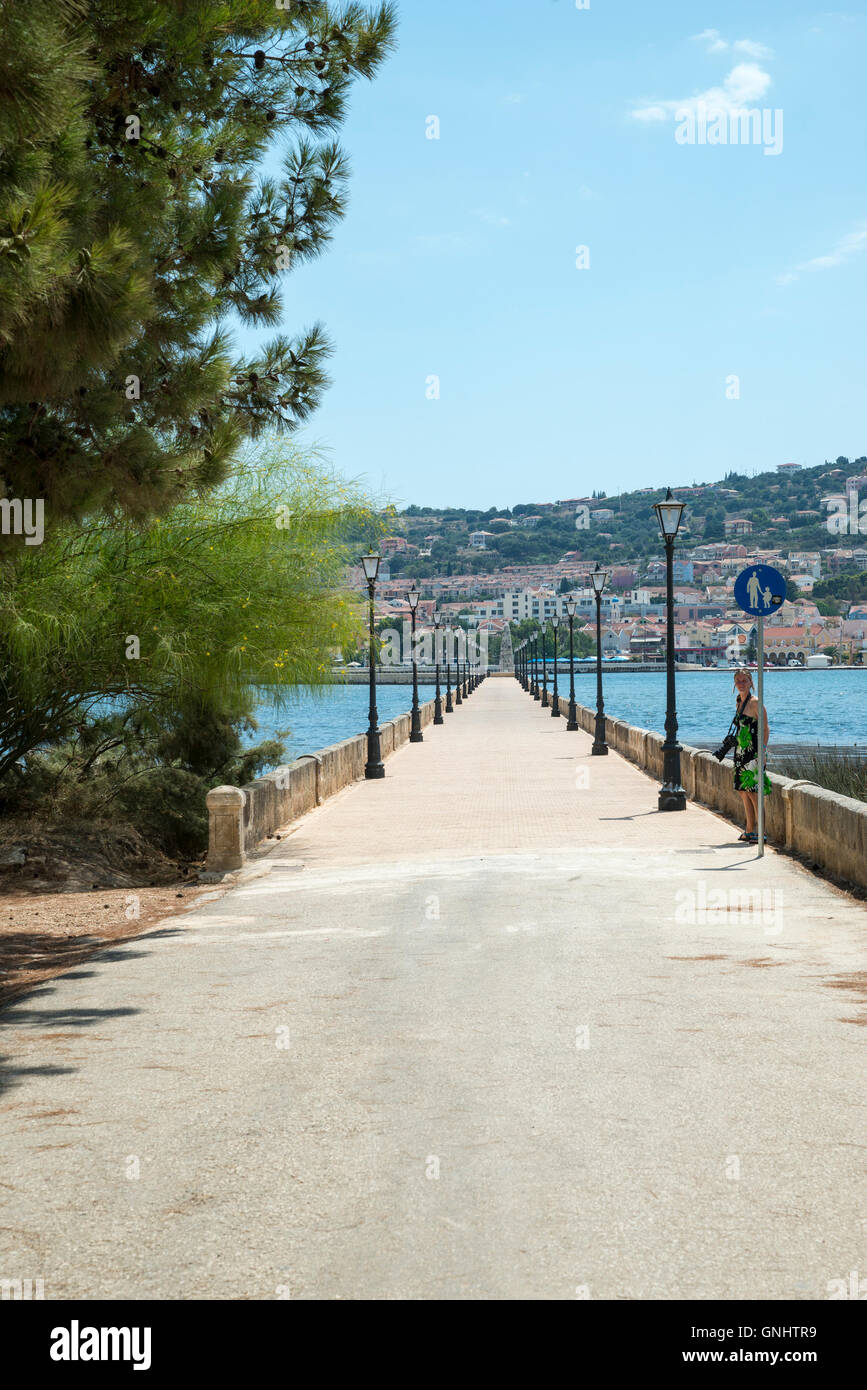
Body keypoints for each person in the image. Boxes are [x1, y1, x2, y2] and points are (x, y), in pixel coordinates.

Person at [731, 667, 770, 843]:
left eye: (744, 681)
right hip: (740, 751)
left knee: (753, 793)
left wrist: (762, 752)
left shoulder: (755, 702)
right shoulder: (739, 701)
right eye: (738, 681)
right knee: (742, 791)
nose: (740, 684)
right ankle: (749, 830)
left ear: (751, 682)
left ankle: (761, 832)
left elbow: (765, 728)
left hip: (753, 752)